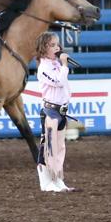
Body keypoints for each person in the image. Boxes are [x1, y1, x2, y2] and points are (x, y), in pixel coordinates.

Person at [34, 32, 76, 192]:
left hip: (61, 111)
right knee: (48, 147)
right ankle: (45, 181)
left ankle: (58, 178)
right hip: (50, 111)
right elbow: (58, 81)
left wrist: (62, 65)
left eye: (57, 44)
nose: (57, 48)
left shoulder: (56, 65)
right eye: (52, 45)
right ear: (43, 49)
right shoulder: (43, 68)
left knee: (59, 148)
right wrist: (65, 65)